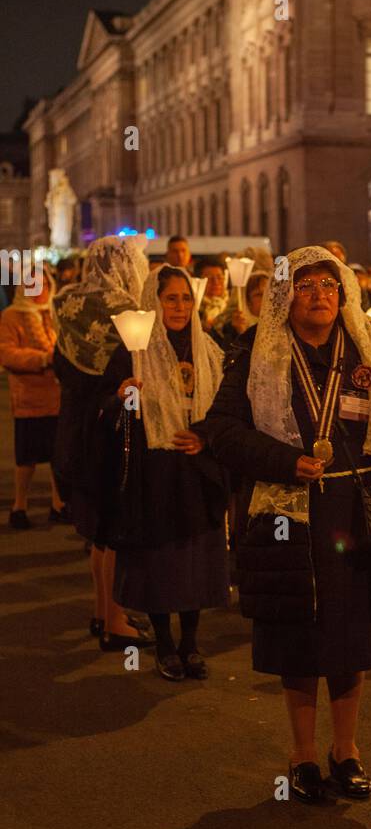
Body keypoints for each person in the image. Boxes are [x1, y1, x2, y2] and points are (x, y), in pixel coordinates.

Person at [203, 248, 371, 804]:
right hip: (289, 513)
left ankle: (345, 750)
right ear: (284, 294)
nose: (320, 294)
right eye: (305, 286)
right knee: (297, 634)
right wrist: (283, 460)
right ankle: (302, 757)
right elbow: (222, 430)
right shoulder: (257, 351)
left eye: (329, 284)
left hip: (358, 507)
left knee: (354, 635)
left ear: (344, 291)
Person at [98, 264, 229, 680]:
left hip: (198, 469)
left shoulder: (208, 348)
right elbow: (102, 412)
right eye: (170, 298)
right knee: (160, 560)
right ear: (153, 302)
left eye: (186, 298)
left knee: (194, 558)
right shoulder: (131, 350)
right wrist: (124, 398)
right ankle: (164, 642)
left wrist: (204, 436)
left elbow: (229, 409)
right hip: (154, 470)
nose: (179, 306)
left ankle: (190, 641)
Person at [51, 235, 153, 649]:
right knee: (115, 530)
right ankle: (115, 620)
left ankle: (101, 610)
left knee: (98, 533)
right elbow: (133, 376)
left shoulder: (68, 307)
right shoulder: (126, 312)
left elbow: (61, 368)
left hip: (76, 428)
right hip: (113, 433)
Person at [0, 269, 66, 527]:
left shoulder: (56, 314)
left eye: (43, 285)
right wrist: (42, 359)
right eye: (33, 286)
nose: (39, 291)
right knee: (26, 459)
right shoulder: (11, 316)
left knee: (56, 455)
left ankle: (57, 504)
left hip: (57, 397)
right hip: (28, 398)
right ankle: (20, 506)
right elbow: (7, 353)